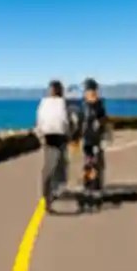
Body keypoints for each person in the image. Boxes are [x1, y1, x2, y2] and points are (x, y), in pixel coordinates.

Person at [35, 80, 72, 212]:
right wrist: (69, 134)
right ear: (60, 90)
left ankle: (47, 194)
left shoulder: (44, 102)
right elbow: (66, 120)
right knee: (61, 162)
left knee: (49, 164)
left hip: (47, 135)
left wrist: (40, 135)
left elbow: (39, 120)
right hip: (59, 134)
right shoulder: (63, 102)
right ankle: (56, 188)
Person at [79, 77, 112, 208]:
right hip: (88, 139)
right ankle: (88, 185)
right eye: (88, 91)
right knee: (89, 162)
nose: (90, 93)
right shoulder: (84, 105)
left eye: (91, 90)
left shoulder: (99, 105)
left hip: (96, 139)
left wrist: (104, 131)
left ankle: (96, 186)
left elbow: (104, 120)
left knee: (97, 162)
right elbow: (81, 121)